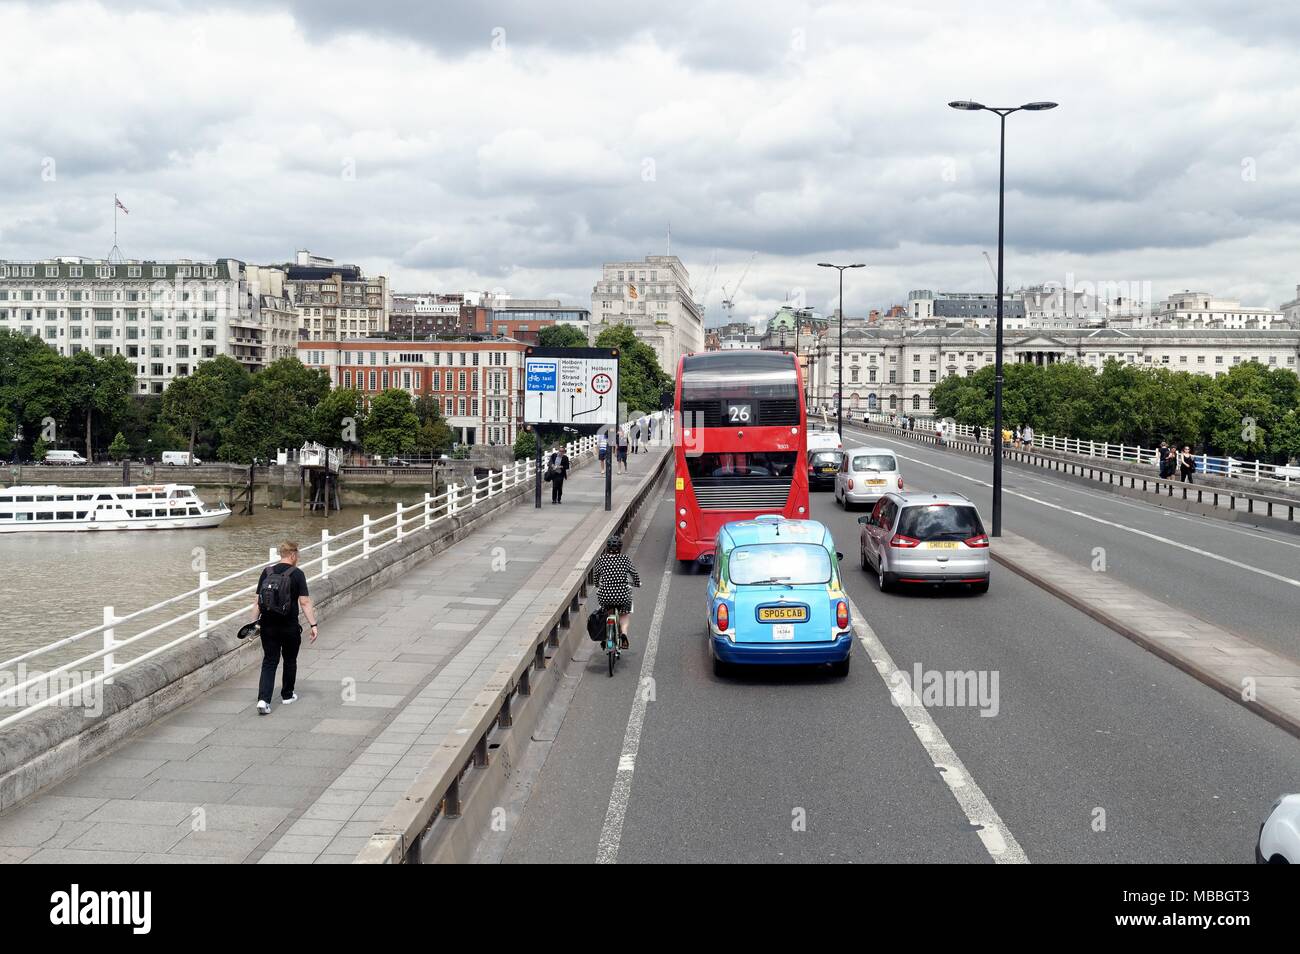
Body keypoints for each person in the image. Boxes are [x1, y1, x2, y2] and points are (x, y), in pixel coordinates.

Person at [250, 540, 317, 715]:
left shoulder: (267, 572)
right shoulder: (297, 574)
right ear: (293, 555)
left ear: (281, 554)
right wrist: (313, 624)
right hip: (289, 626)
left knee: (269, 661)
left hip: (268, 626)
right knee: (290, 660)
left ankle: (263, 700)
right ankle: (287, 695)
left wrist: (254, 624)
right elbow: (304, 602)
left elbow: (257, 602)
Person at [592, 534, 641, 650]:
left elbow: (595, 575)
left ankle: (607, 635)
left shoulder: (601, 560)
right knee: (624, 613)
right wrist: (637, 583)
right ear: (620, 548)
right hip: (622, 595)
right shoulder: (624, 559)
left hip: (605, 595)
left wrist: (597, 584)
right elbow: (634, 573)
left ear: (607, 548)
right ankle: (623, 633)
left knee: (607, 610)